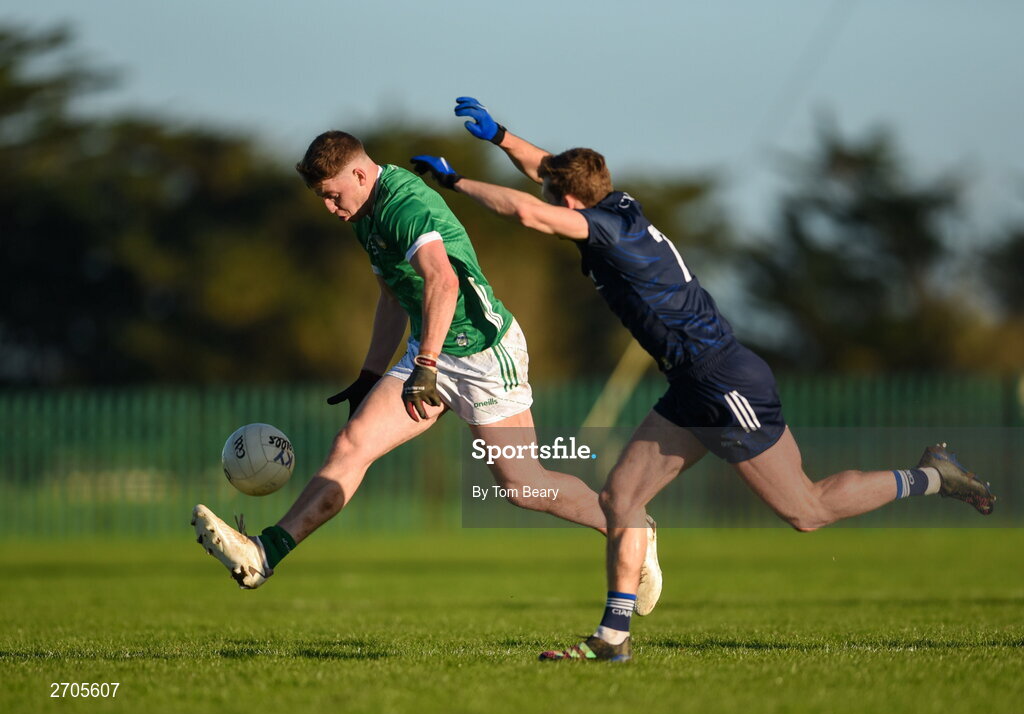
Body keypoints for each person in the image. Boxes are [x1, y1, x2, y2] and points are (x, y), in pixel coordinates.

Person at [410, 97, 997, 662]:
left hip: (723, 384)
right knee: (620, 498)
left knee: (807, 509)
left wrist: (455, 182)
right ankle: (612, 638)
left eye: (554, 193)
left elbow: (528, 211)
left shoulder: (603, 229)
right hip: (694, 385)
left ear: (569, 202)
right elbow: (551, 178)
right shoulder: (617, 205)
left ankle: (931, 477)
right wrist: (500, 137)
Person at [191, 130, 663, 616]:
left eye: (332, 195)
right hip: (429, 351)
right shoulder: (362, 213)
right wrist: (370, 374)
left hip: (482, 353)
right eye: (322, 199)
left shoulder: (404, 204)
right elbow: (393, 296)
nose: (330, 208)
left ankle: (631, 526)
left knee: (523, 486)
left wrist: (427, 366)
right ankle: (264, 553)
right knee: (352, 445)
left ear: (360, 174)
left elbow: (443, 280)